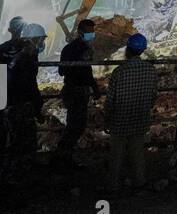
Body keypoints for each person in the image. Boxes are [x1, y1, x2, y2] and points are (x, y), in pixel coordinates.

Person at [104, 33, 158, 194]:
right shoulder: (150, 70)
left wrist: (107, 118)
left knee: (116, 155)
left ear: (127, 49)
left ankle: (113, 186)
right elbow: (153, 96)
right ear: (143, 50)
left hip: (120, 120)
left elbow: (110, 100)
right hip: (140, 118)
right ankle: (139, 182)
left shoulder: (119, 72)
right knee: (137, 153)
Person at [54, 19, 101, 165]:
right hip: (76, 90)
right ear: (80, 32)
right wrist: (94, 87)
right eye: (89, 32)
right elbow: (82, 72)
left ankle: (65, 157)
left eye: (92, 31)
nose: (91, 34)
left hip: (73, 90)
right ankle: (62, 156)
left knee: (74, 124)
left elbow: (64, 71)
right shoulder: (78, 49)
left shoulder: (69, 48)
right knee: (76, 126)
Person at [4, 23, 47, 177]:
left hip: (15, 104)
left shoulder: (22, 56)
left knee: (19, 141)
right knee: (23, 142)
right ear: (32, 40)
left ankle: (16, 173)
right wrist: (37, 108)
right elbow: (30, 86)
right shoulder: (25, 60)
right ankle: (18, 176)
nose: (42, 43)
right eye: (41, 40)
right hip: (20, 106)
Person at [0, 16, 25, 165]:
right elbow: (30, 76)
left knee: (0, 132)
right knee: (18, 133)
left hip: (0, 93)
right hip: (18, 96)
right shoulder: (28, 50)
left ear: (10, 29)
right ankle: (14, 166)